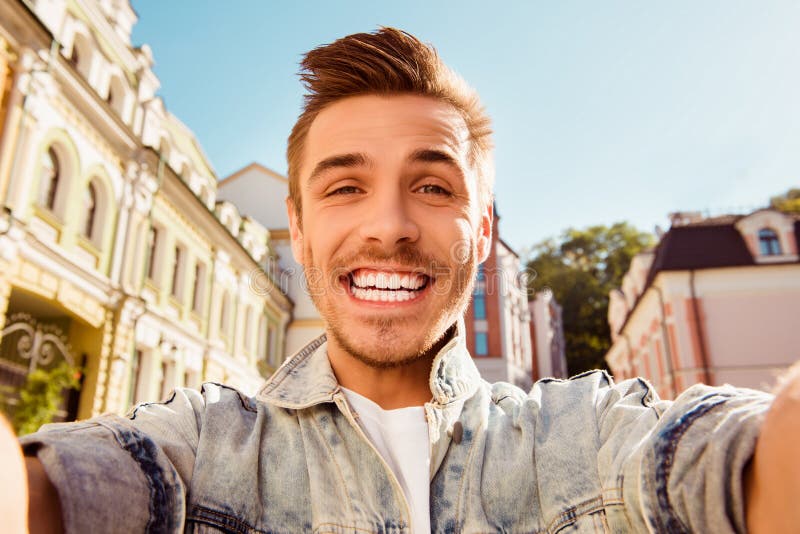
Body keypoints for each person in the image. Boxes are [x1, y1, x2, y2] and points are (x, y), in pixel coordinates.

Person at [2, 27, 799, 533]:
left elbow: (737, 467)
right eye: (344, 186)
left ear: (483, 231)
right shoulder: (198, 444)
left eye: (433, 185)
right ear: (299, 223)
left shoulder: (583, 434)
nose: (388, 225)